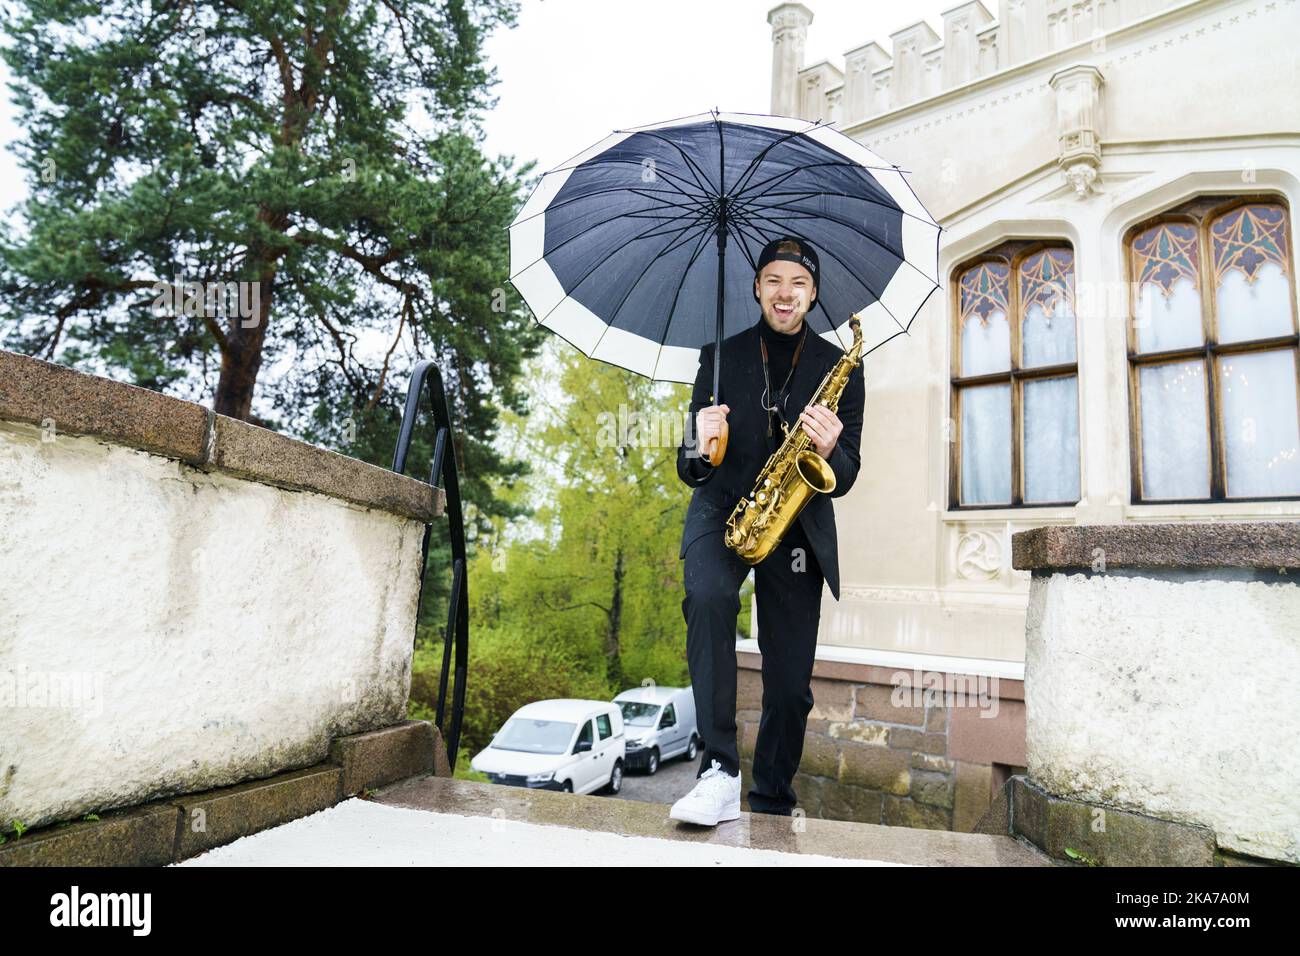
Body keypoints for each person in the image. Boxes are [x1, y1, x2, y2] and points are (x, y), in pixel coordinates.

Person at [668, 235, 865, 826]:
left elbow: (848, 471)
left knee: (788, 686)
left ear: (813, 294)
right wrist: (699, 446)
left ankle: (773, 798)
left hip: (796, 522)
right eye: (774, 281)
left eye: (798, 283)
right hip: (722, 508)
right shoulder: (720, 356)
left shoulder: (841, 367)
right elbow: (689, 465)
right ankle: (718, 771)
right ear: (757, 287)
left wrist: (831, 449)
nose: (785, 293)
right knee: (708, 597)